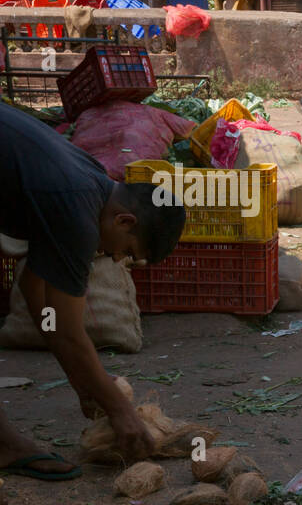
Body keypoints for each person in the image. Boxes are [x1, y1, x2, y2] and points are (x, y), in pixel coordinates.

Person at [0, 104, 187, 477]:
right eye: (127, 250)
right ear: (124, 220)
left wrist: (81, 380)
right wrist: (120, 410)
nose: (116, 258)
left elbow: (37, 294)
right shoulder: (78, 213)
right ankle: (3, 445)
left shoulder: (91, 181)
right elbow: (68, 332)